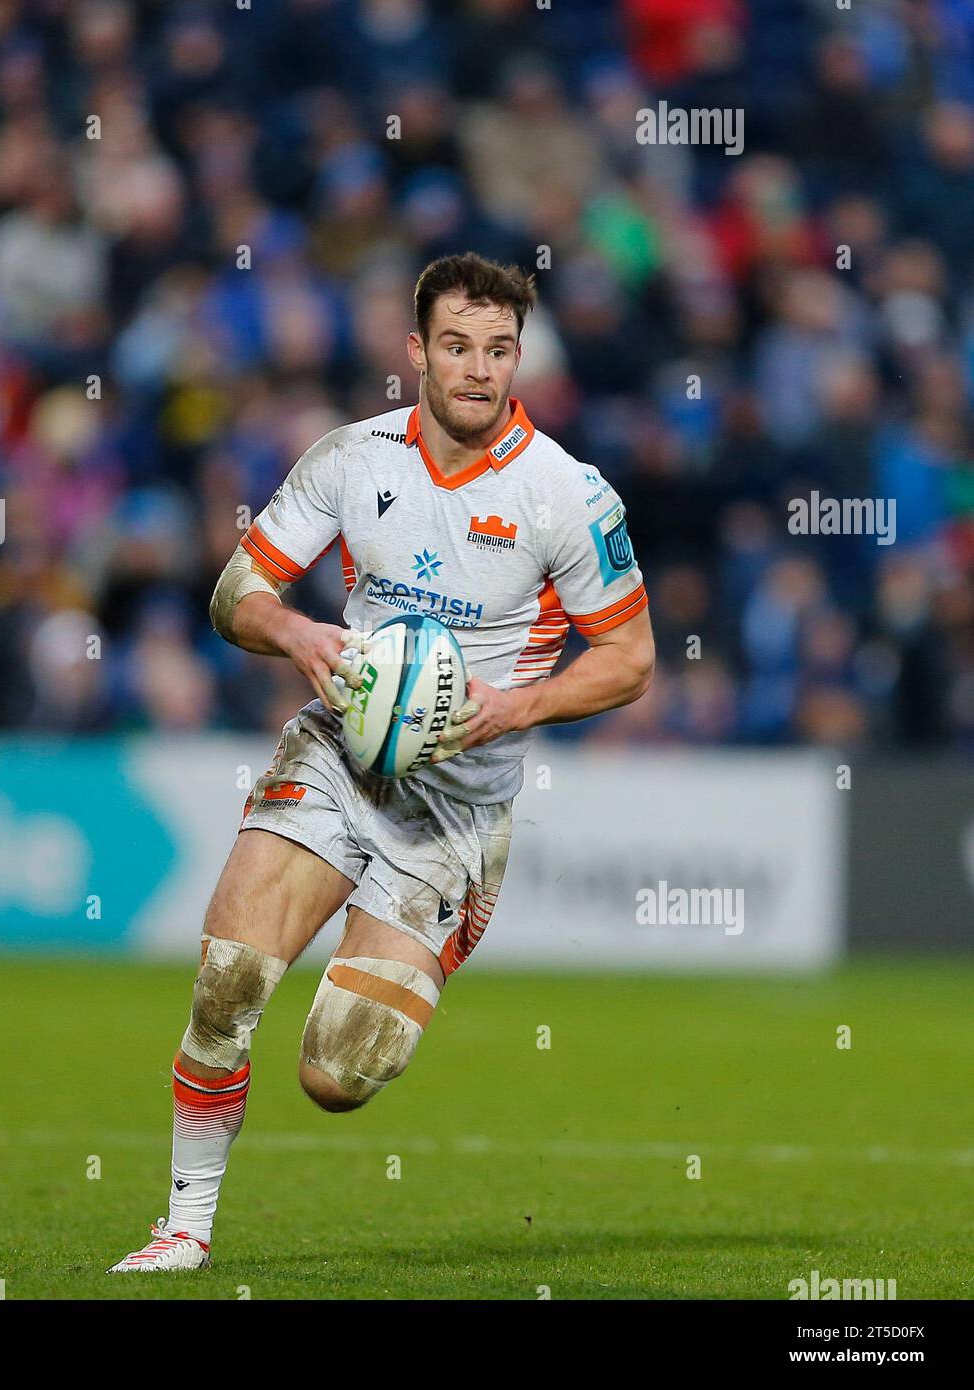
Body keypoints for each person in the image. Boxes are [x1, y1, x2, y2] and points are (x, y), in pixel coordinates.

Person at [108, 252, 655, 1272]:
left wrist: (511, 707)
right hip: (339, 756)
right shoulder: (349, 461)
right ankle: (182, 1227)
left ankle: (435, 927)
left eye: (498, 350)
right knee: (226, 982)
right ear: (416, 353)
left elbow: (629, 660)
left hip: (452, 810)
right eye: (456, 346)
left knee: (332, 1074)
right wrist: (300, 636)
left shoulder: (567, 495)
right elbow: (235, 594)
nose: (478, 370)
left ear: (517, 358)